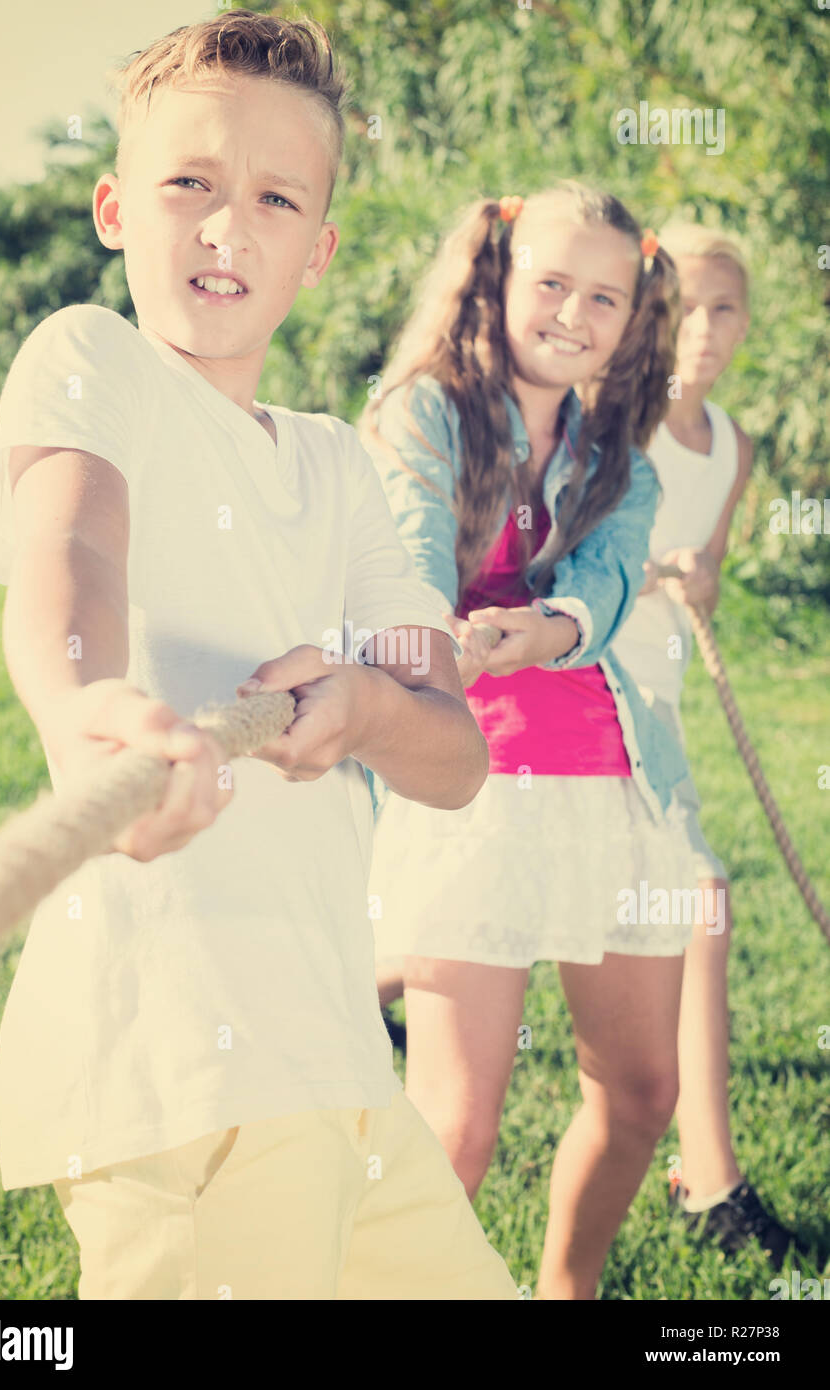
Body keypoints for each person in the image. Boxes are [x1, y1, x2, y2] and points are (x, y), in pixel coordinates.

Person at [0, 12, 520, 1301]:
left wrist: (369, 706)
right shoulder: (92, 361)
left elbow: (452, 753)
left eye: (275, 198)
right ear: (114, 208)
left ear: (317, 249)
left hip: (337, 1065)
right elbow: (73, 547)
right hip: (183, 1071)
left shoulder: (334, 464)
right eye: (189, 186)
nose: (229, 226)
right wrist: (83, 702)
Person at [359, 182, 700, 1301]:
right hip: (475, 788)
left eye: (603, 296)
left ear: (629, 318)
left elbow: (598, 594)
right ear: (496, 277)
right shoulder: (427, 414)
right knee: (454, 1125)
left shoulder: (623, 463)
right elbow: (409, 547)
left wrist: (540, 627)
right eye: (550, 283)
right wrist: (442, 632)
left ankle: (568, 1291)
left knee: (645, 1091)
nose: (573, 312)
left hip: (609, 788)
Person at [611, 223, 793, 1267]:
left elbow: (710, 576)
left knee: (684, 910)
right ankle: (708, 1180)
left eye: (725, 307)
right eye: (682, 304)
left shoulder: (728, 446)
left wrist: (692, 576)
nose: (703, 329)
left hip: (658, 704)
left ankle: (704, 1172)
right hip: (577, 689)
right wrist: (640, 570)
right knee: (698, 901)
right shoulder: (603, 419)